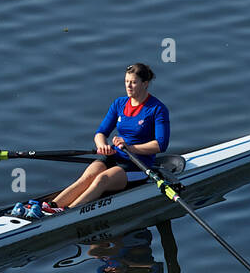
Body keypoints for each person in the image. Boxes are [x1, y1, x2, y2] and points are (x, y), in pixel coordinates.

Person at [10, 64, 169, 219]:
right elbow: (100, 133)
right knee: (86, 178)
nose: (129, 86)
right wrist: (102, 145)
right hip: (116, 155)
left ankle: (66, 213)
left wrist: (131, 147)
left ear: (145, 84)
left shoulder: (157, 109)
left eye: (133, 82)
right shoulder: (119, 103)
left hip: (139, 164)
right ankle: (50, 206)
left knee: (102, 179)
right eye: (126, 81)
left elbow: (161, 145)